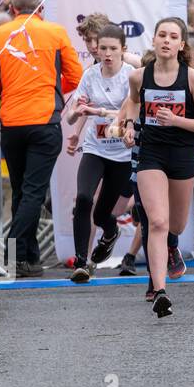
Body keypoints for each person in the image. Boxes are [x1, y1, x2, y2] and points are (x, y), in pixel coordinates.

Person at [0, 0, 83, 278]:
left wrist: (3, 87)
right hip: (44, 121)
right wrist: (55, 89)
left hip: (11, 124)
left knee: (22, 191)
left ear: (11, 9)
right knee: (32, 192)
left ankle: (28, 260)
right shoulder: (55, 33)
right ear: (40, 10)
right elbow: (76, 76)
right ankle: (13, 251)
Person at [116, 17, 194, 317]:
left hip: (183, 153)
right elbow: (133, 102)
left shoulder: (193, 78)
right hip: (152, 153)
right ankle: (160, 291)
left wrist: (177, 121)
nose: (167, 41)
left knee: (176, 225)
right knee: (155, 222)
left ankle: (172, 246)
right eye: (162, 35)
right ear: (154, 41)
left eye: (173, 36)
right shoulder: (139, 76)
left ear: (181, 44)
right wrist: (130, 125)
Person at [63, 23, 134, 282]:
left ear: (123, 50)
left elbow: (132, 114)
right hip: (95, 149)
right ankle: (81, 262)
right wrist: (78, 111)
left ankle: (110, 231)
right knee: (83, 197)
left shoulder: (131, 76)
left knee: (103, 214)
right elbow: (71, 117)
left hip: (123, 154)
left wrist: (99, 112)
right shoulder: (90, 75)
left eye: (113, 48)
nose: (106, 53)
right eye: (102, 48)